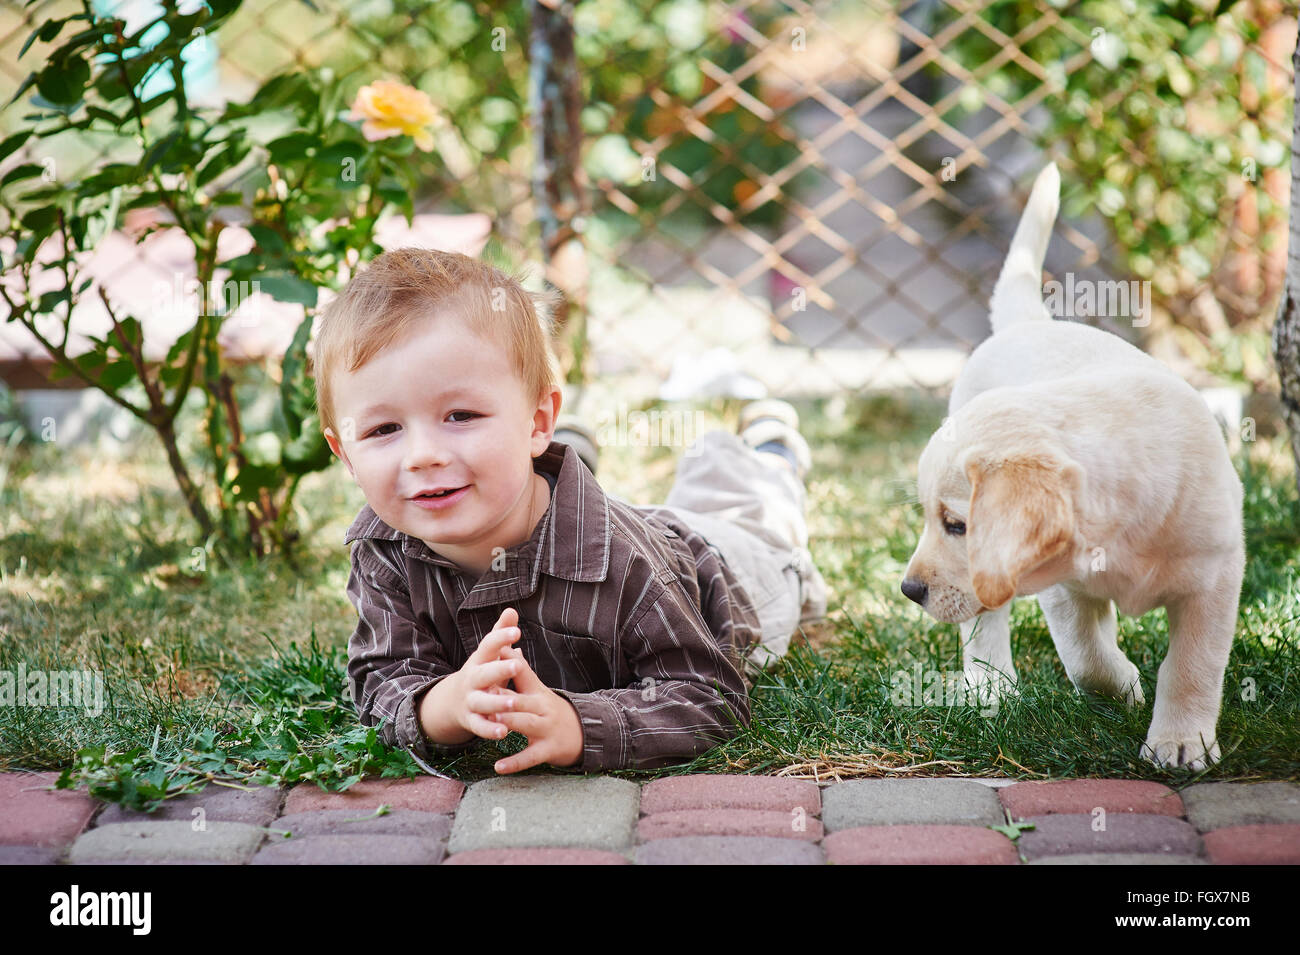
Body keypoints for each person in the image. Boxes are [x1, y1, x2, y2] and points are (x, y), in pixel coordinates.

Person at [314, 248, 826, 774]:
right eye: (383, 430)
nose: (423, 455)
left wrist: (581, 725)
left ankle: (774, 453)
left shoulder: (626, 562)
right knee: (688, 491)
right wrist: (439, 706)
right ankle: (572, 449)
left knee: (743, 495)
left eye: (460, 415)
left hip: (732, 567)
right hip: (615, 519)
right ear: (345, 454)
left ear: (538, 421)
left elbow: (708, 697)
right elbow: (383, 674)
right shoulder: (385, 551)